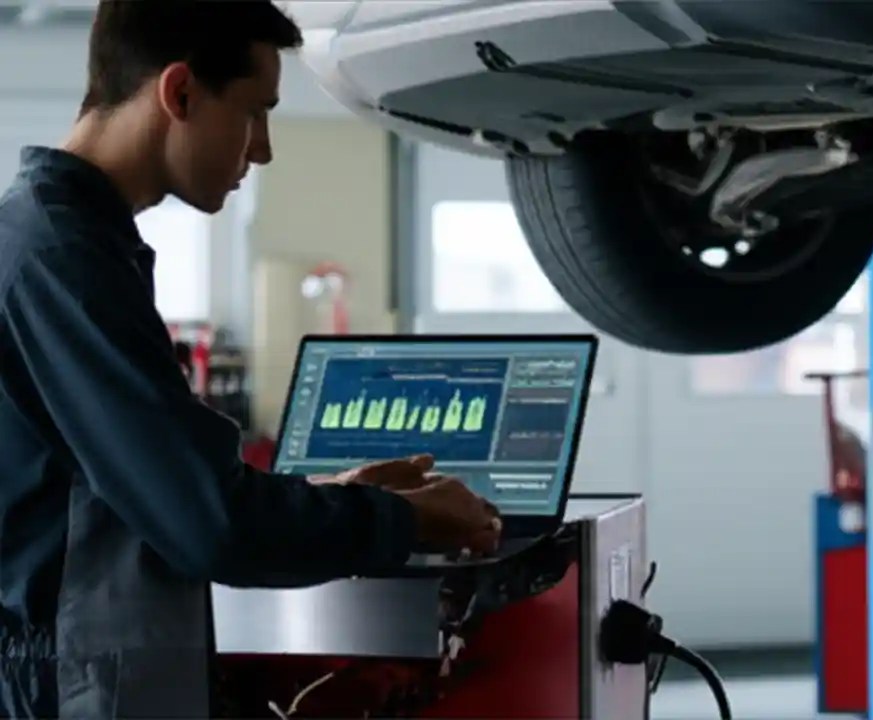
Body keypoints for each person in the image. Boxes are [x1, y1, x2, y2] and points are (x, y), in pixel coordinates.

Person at [0, 1, 501, 717]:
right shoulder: (62, 259)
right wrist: (407, 522)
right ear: (179, 93)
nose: (262, 147)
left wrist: (338, 491)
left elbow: (131, 491)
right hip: (67, 687)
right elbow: (212, 525)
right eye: (255, 111)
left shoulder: (63, 240)